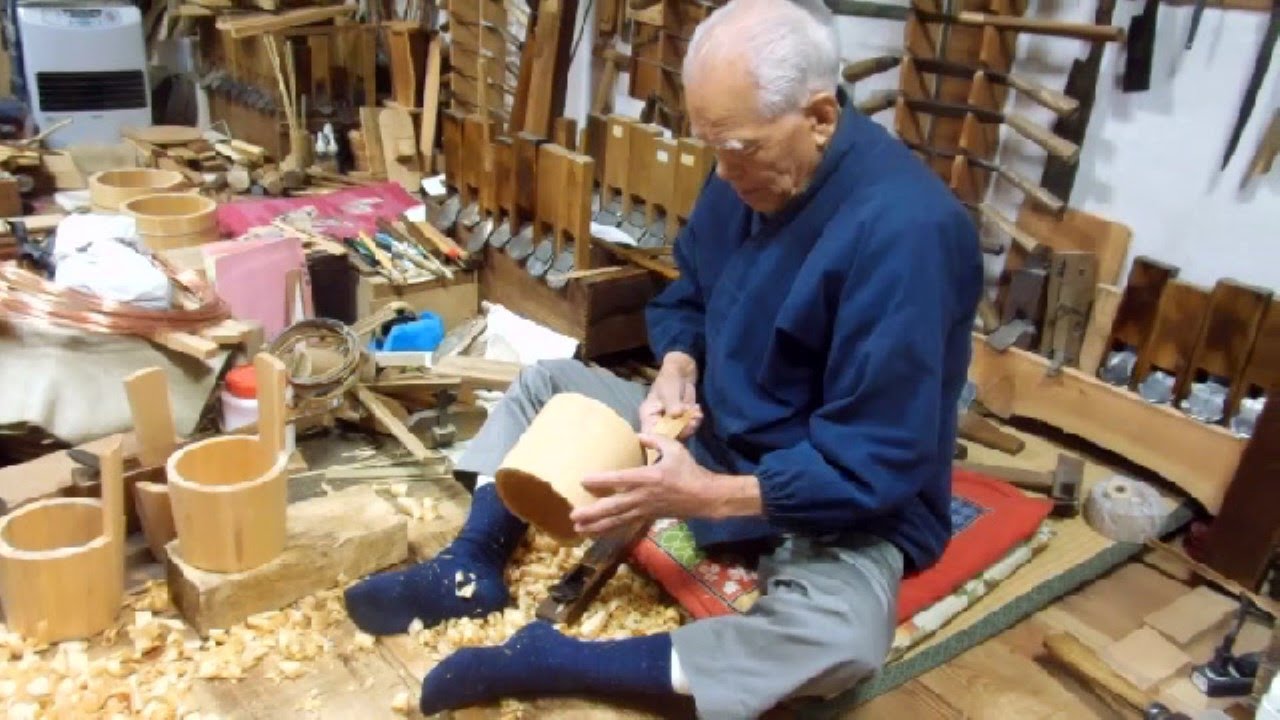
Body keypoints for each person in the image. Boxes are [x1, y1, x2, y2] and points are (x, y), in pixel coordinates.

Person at [343, 0, 983, 715]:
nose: (721, 169)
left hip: (834, 496)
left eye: (737, 149)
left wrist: (706, 496)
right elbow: (692, 293)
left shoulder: (911, 235)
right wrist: (679, 365)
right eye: (710, 145)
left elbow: (876, 462)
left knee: (839, 641)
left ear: (821, 117)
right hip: (722, 434)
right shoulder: (745, 166)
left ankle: (554, 660)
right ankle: (470, 567)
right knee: (546, 387)